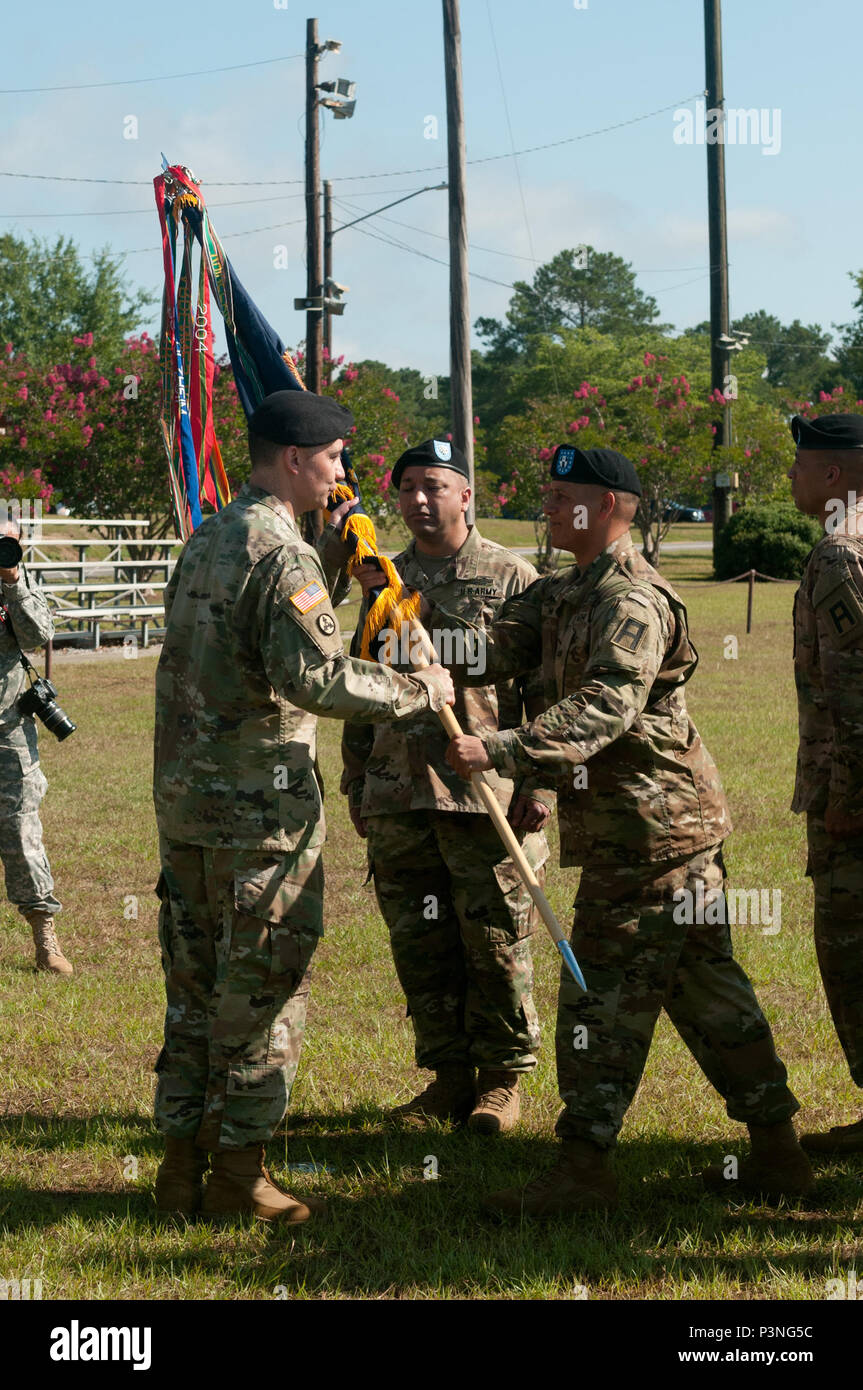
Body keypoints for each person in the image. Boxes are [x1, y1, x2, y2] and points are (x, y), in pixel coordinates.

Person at [438, 444, 811, 1215]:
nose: (545, 506)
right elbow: (505, 651)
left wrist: (504, 750)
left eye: (560, 494)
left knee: (597, 999)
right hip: (644, 830)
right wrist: (422, 643)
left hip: (654, 835)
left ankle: (582, 1167)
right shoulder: (562, 591)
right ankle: (777, 1153)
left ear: (605, 505)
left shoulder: (631, 601)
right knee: (707, 991)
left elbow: (609, 701)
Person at [152, 391, 453, 1223]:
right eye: (333, 459)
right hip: (259, 817)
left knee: (195, 991)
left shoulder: (210, 536)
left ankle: (180, 1166)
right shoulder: (278, 557)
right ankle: (239, 1175)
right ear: (295, 459)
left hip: (187, 807)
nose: (342, 474)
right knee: (262, 992)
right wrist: (415, 689)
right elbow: (314, 677)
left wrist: (326, 558)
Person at [341, 439, 555, 1134]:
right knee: (420, 942)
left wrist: (540, 784)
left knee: (494, 939)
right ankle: (447, 1078)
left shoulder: (510, 576)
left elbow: (542, 688)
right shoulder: (382, 577)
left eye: (435, 485)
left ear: (467, 494)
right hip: (399, 789)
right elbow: (360, 681)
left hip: (482, 792)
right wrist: (354, 777)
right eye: (407, 488)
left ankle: (502, 1081)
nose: (419, 499)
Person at [788, 413, 863, 1156]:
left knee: (850, 952)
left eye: (802, 464)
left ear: (834, 475)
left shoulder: (841, 553)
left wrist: (845, 798)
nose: (792, 476)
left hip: (856, 803)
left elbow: (853, 692)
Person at [0, 518, 68, 975]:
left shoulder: (11, 580)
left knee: (22, 830)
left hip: (6, 729)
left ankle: (45, 939)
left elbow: (39, 634)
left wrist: (13, 580)